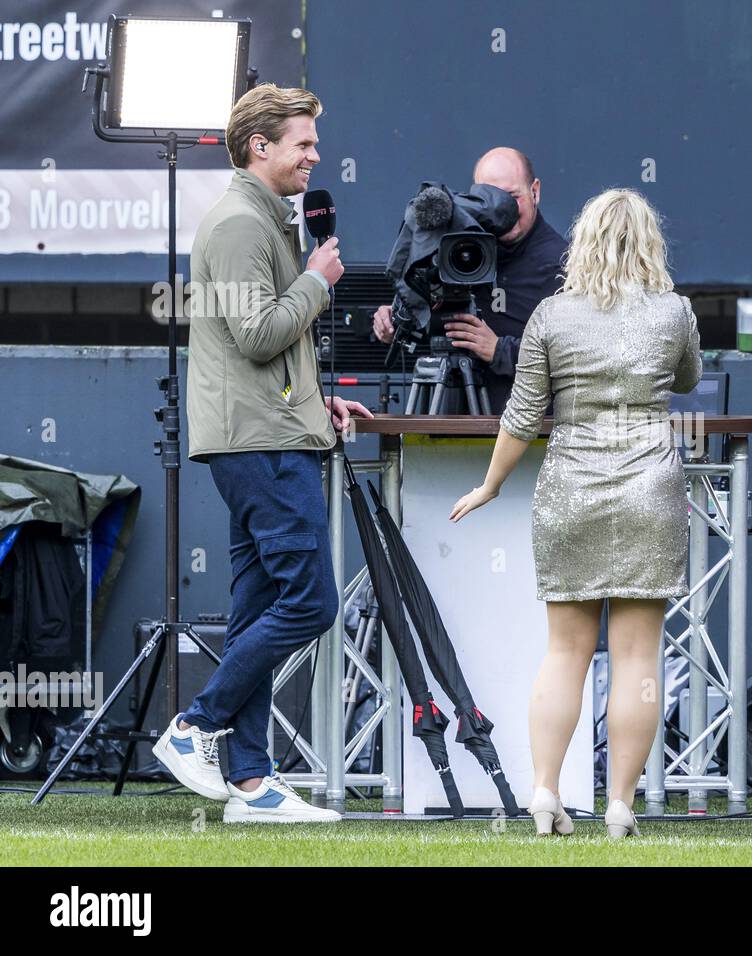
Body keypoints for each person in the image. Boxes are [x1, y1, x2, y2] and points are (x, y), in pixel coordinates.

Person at [448, 188, 701, 839]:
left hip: (570, 496)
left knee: (564, 653)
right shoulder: (674, 313)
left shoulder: (551, 317)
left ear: (583, 242)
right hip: (649, 496)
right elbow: (689, 380)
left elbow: (522, 417)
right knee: (638, 659)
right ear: (651, 244)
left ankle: (542, 794)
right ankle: (619, 804)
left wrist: (489, 486)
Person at [152, 84, 372, 823]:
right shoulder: (243, 224)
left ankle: (251, 783)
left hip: (266, 432)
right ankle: (195, 726)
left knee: (256, 610)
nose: (316, 155)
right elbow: (256, 336)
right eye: (304, 143)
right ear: (260, 147)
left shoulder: (260, 218)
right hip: (261, 442)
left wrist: (319, 402)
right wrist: (318, 280)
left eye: (314, 142)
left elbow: (267, 347)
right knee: (310, 601)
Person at [373, 147, 568, 411]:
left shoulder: (564, 263)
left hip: (531, 430)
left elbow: (573, 357)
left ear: (535, 191)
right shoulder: (460, 250)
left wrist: (499, 350)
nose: (503, 213)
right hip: (458, 416)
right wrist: (397, 317)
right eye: (490, 200)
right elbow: (438, 313)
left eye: (511, 198)